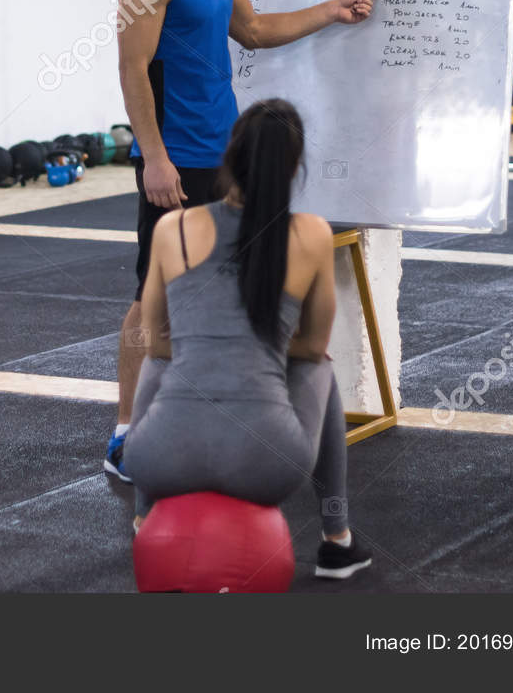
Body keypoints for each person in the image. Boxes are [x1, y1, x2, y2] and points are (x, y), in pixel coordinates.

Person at [108, 0, 374, 482]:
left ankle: (205, 415)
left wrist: (332, 10)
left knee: (227, 284)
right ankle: (125, 433)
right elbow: (131, 68)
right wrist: (155, 159)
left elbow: (253, 32)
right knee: (154, 297)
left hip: (225, 156)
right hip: (177, 162)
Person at [125, 100, 372, 579]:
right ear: (294, 168)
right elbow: (310, 346)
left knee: (160, 361)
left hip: (158, 459)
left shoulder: (173, 228)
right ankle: (337, 541)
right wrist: (259, 349)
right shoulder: (312, 234)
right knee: (319, 364)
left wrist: (209, 347)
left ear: (229, 156)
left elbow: (154, 340)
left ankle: (143, 519)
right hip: (266, 465)